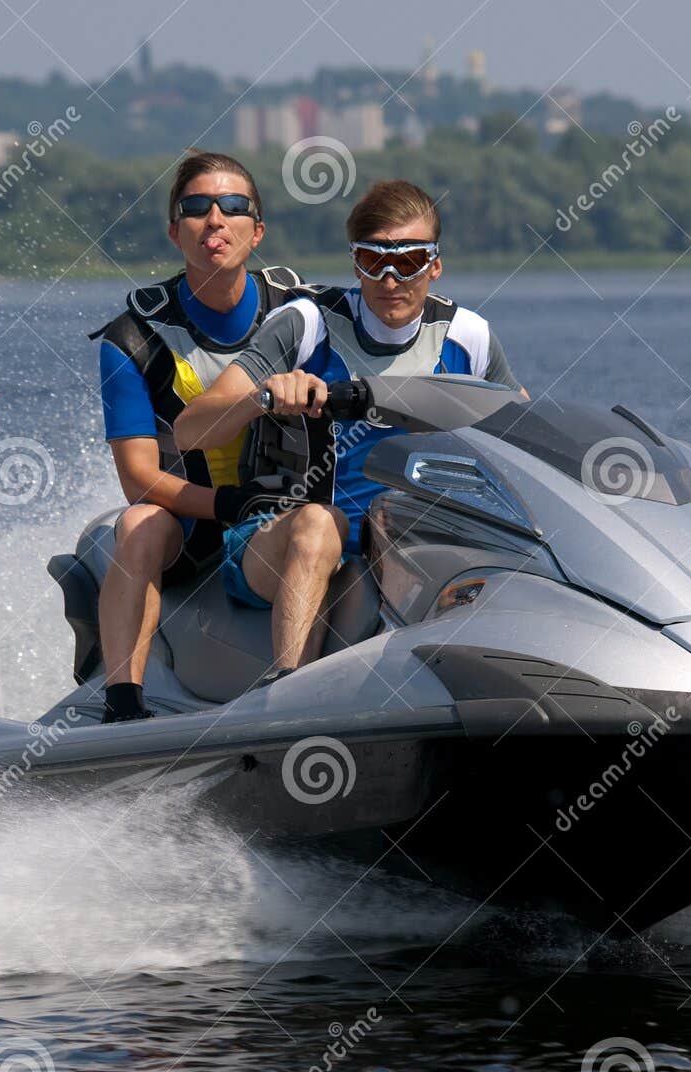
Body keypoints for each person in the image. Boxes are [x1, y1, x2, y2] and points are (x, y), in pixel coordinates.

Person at [172, 180, 521, 681]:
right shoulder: (306, 323)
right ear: (355, 263)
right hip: (282, 540)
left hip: (410, 545)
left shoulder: (470, 337)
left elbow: (525, 432)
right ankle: (284, 693)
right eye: (372, 260)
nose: (390, 279)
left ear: (435, 265)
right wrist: (263, 396)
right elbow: (190, 432)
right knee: (322, 523)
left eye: (409, 261)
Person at [90, 151, 306, 722]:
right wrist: (225, 505)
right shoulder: (133, 338)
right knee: (137, 522)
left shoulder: (304, 314)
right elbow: (137, 478)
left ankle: (303, 694)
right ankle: (123, 702)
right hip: (189, 525)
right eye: (196, 208)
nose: (215, 220)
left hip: (287, 520)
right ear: (173, 231)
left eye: (233, 207)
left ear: (256, 232)